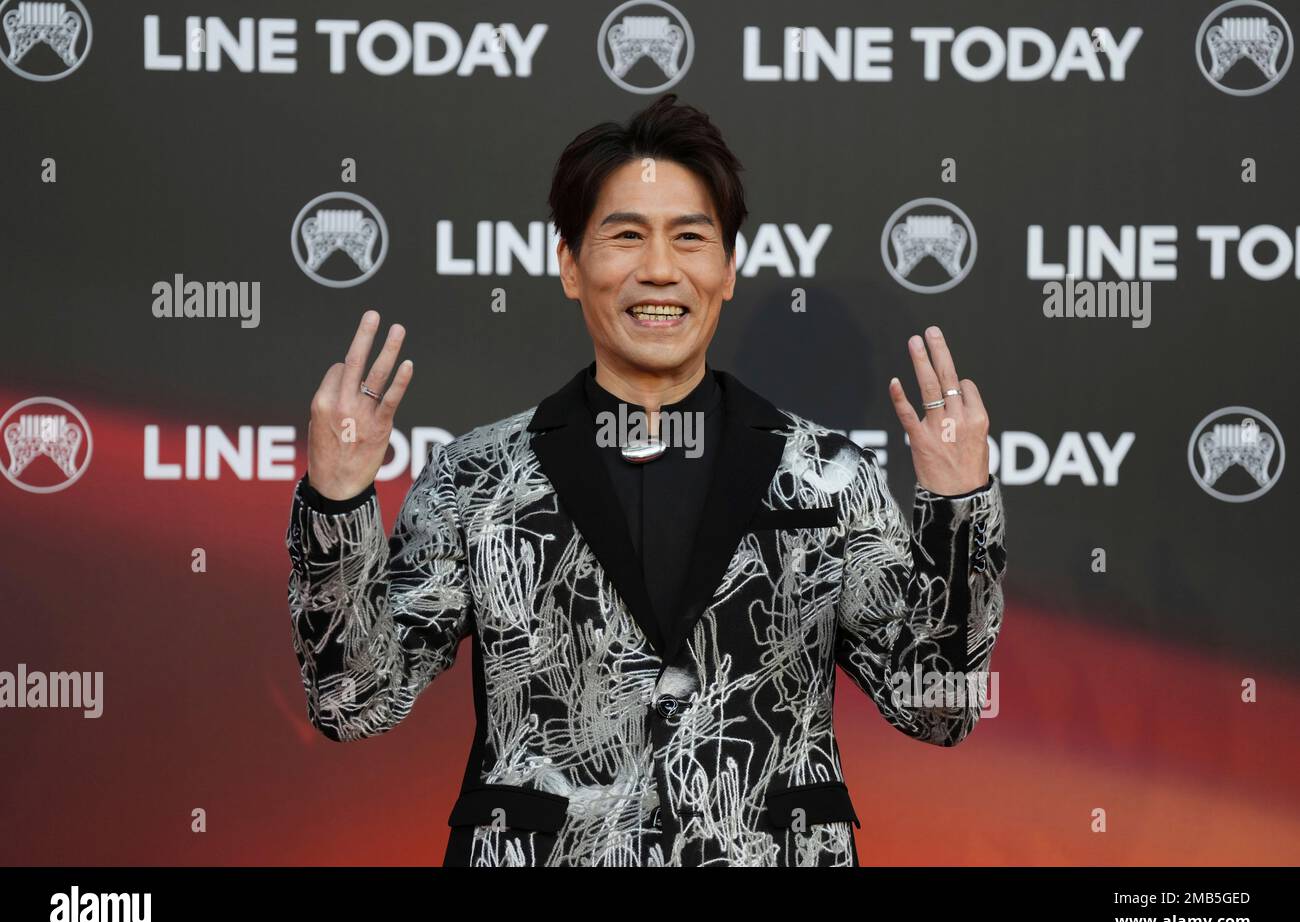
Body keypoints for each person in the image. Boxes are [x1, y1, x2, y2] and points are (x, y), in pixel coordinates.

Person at [285, 94, 1006, 867]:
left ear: (728, 270)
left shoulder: (826, 478)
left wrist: (960, 508)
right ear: (570, 264)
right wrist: (337, 500)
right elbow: (351, 702)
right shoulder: (477, 477)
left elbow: (937, 707)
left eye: (690, 238)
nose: (659, 269)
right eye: (626, 236)